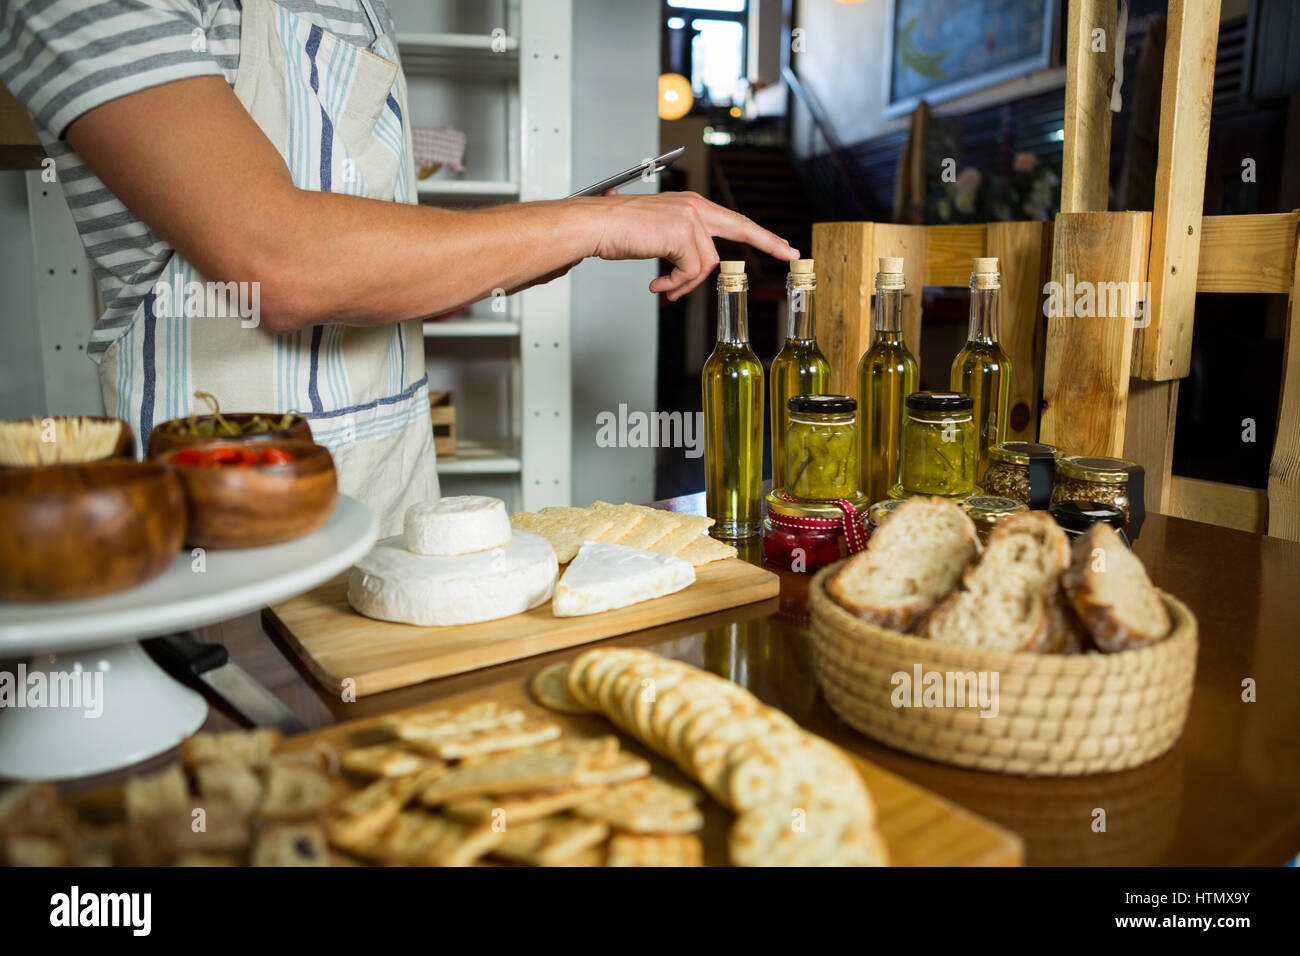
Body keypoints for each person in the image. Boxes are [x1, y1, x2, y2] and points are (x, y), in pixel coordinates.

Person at [0, 0, 796, 531]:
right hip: (220, 544)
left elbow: (395, 285)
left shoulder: (357, 9)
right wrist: (592, 221)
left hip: (390, 508)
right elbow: (283, 265)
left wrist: (570, 235)